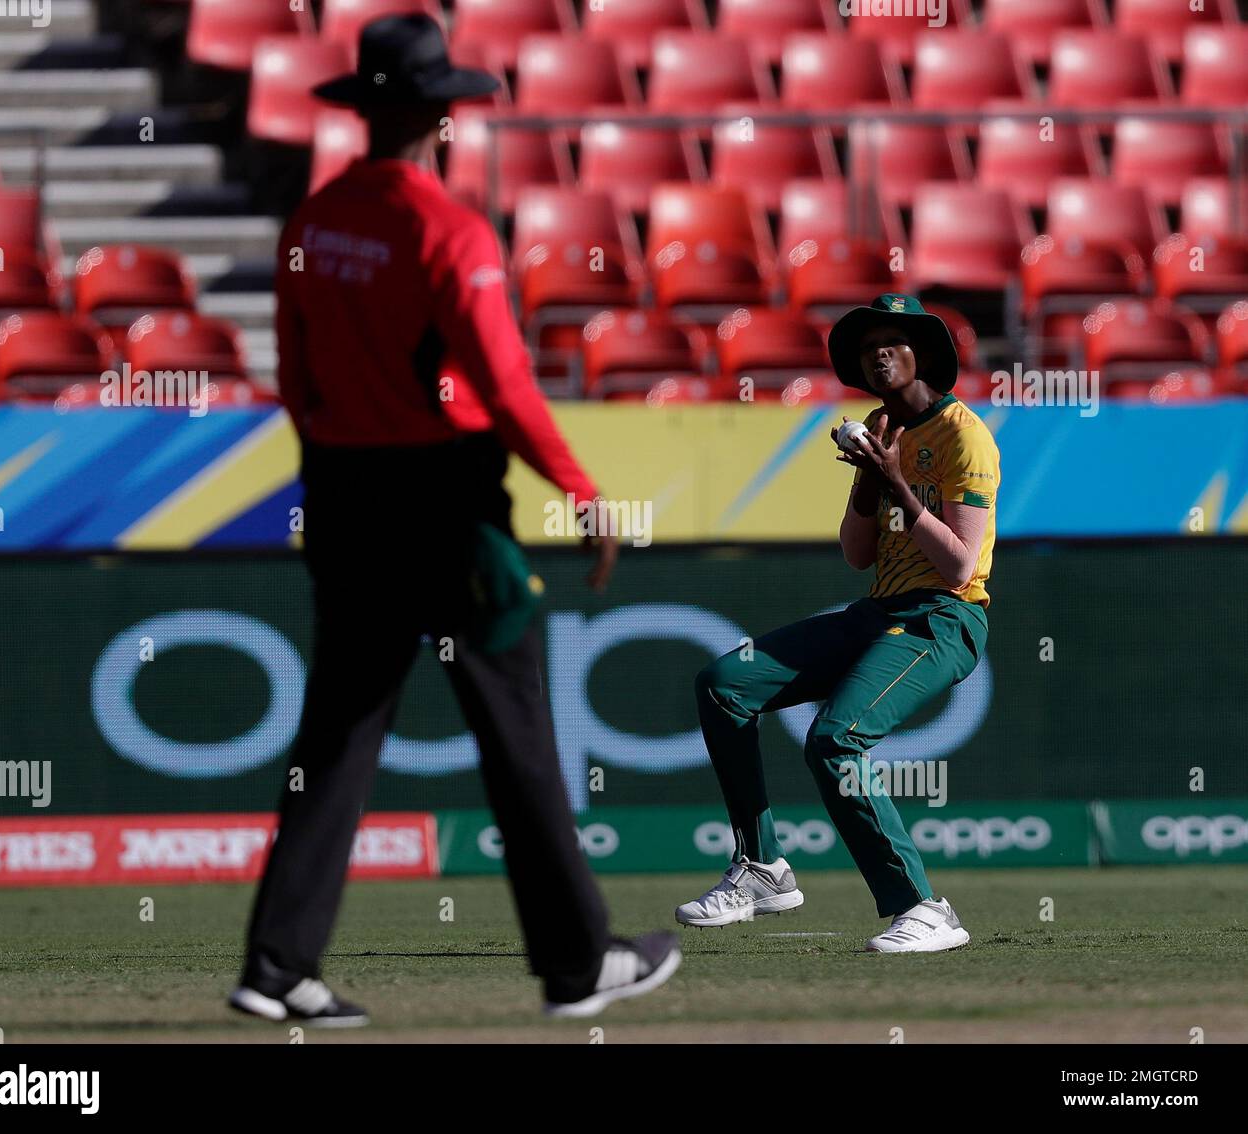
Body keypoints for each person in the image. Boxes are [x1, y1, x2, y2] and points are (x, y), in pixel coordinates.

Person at [230, 14, 679, 1025]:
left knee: (339, 732)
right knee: (512, 725)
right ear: (444, 116)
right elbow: (505, 386)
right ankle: (575, 963)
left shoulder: (310, 223)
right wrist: (584, 492)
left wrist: (343, 469)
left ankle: (276, 966)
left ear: (361, 113)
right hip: (447, 503)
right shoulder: (450, 231)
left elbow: (297, 381)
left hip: (344, 494)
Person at [676, 293, 1000, 953]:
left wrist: (898, 483)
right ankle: (763, 869)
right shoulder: (881, 429)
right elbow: (857, 556)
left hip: (944, 618)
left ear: (923, 355)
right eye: (867, 344)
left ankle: (925, 908)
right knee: (724, 684)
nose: (878, 351)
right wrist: (870, 479)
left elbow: (960, 565)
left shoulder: (963, 433)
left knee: (834, 741)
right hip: (879, 610)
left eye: (894, 340)